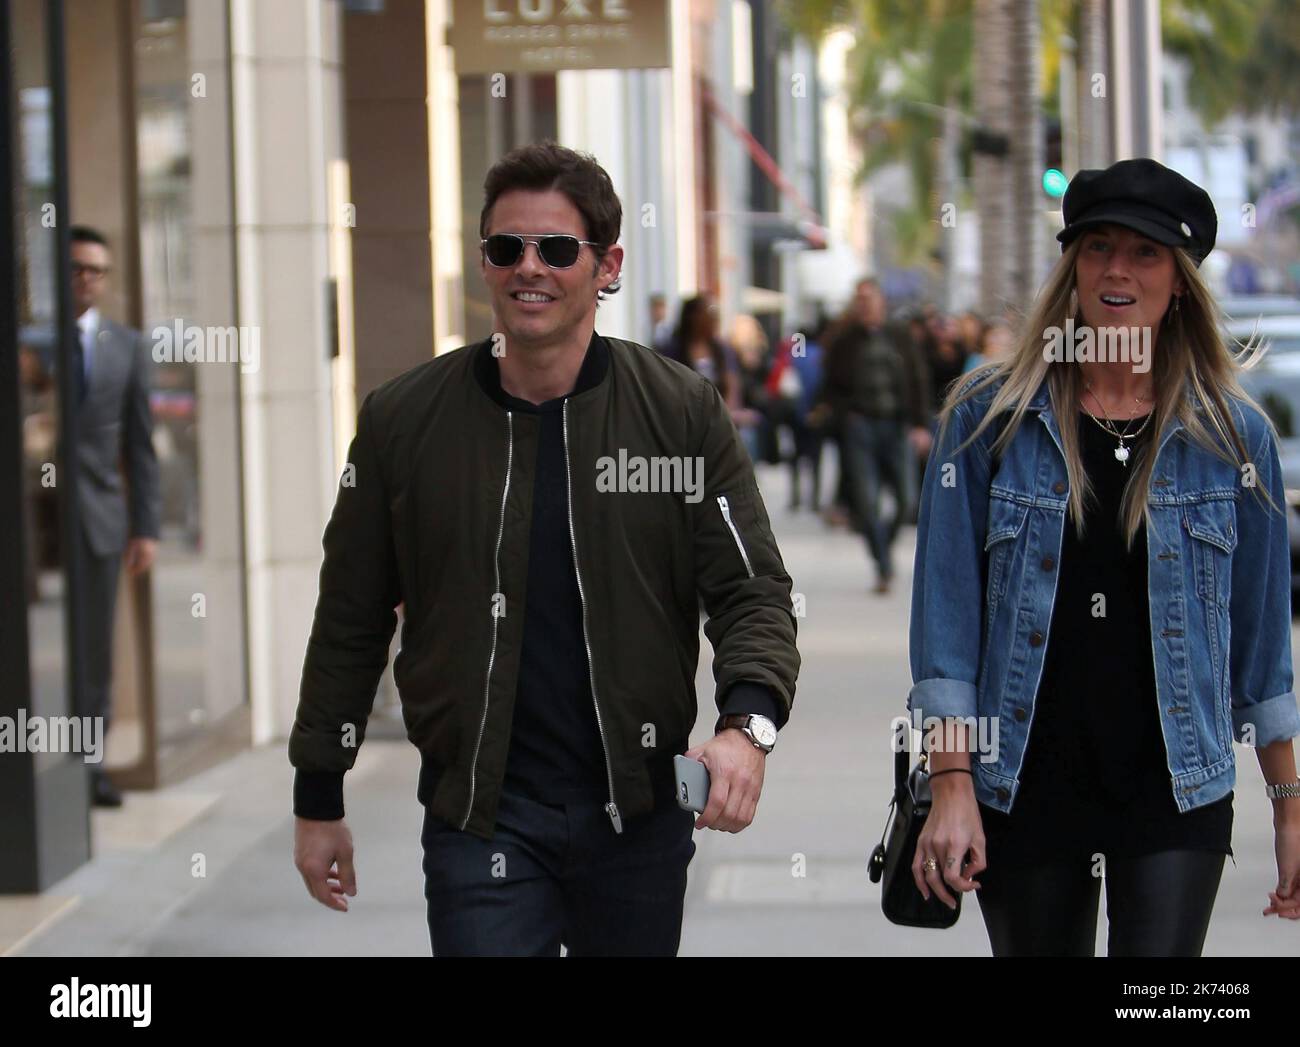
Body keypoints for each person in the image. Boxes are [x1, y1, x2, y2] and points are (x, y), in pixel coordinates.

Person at [290, 140, 799, 957]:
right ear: (485, 262)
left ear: (607, 265)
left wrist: (748, 724)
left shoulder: (677, 414)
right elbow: (350, 613)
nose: (529, 267)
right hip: (480, 817)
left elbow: (751, 589)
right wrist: (319, 792)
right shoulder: (404, 422)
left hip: (636, 815)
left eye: (557, 249)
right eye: (506, 247)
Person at [909, 157, 1300, 956]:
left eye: (1146, 252)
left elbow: (1264, 651)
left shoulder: (1234, 438)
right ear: (1073, 267)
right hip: (1023, 783)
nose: (1118, 269)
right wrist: (951, 784)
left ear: (1180, 280)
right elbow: (946, 625)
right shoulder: (989, 421)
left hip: (1175, 789)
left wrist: (1290, 806)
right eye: (1098, 247)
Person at [66, 226, 160, 808]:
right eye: (78, 267)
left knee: (96, 651)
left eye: (97, 270)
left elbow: (140, 444)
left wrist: (145, 526)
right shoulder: (32, 342)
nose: (86, 278)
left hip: (99, 520)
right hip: (35, 527)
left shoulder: (125, 345)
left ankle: (90, 767)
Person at [820, 278, 931, 593]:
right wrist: (844, 415)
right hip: (861, 427)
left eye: (869, 298)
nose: (864, 304)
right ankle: (883, 563)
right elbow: (830, 386)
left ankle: (884, 545)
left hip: (896, 426)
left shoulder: (899, 335)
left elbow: (917, 378)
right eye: (859, 299)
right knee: (867, 505)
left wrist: (920, 424)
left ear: (881, 301)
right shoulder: (844, 341)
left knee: (908, 499)